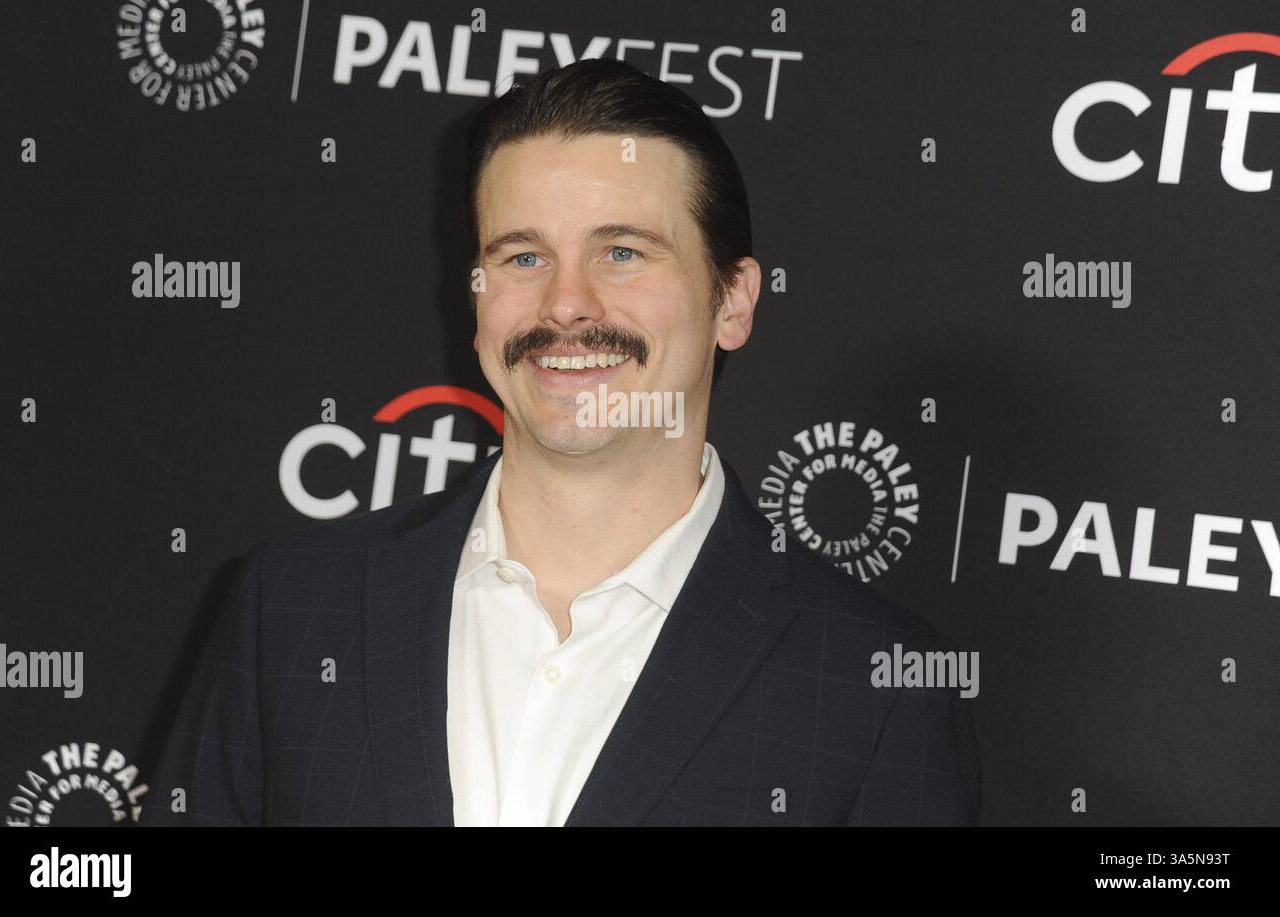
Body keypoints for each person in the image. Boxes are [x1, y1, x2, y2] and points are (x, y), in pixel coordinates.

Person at [141, 58, 980, 826]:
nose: (566, 305)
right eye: (520, 257)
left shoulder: (876, 684)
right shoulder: (289, 614)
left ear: (733, 301)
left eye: (621, 251)